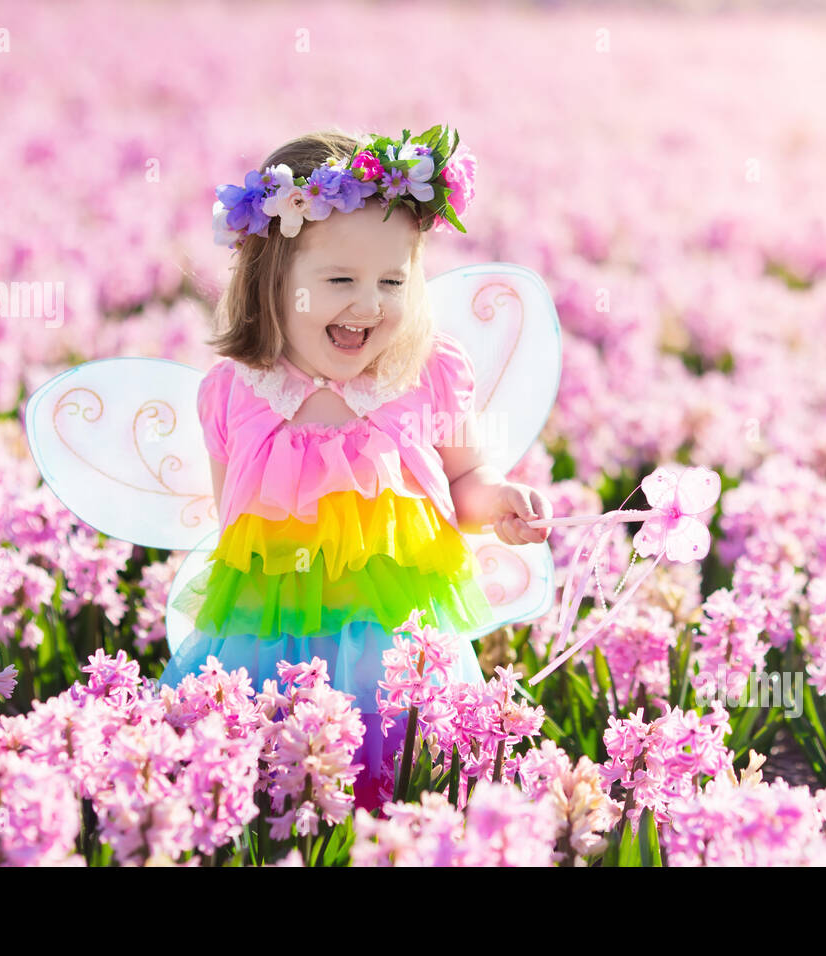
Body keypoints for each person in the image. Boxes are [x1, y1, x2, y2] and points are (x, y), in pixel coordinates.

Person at [160, 126, 552, 811]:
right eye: (340, 280)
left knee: (394, 774)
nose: (369, 304)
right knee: (272, 787)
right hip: (267, 643)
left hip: (395, 645)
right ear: (272, 280)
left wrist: (501, 501)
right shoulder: (234, 392)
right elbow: (233, 533)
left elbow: (465, 484)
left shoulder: (426, 375)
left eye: (392, 281)